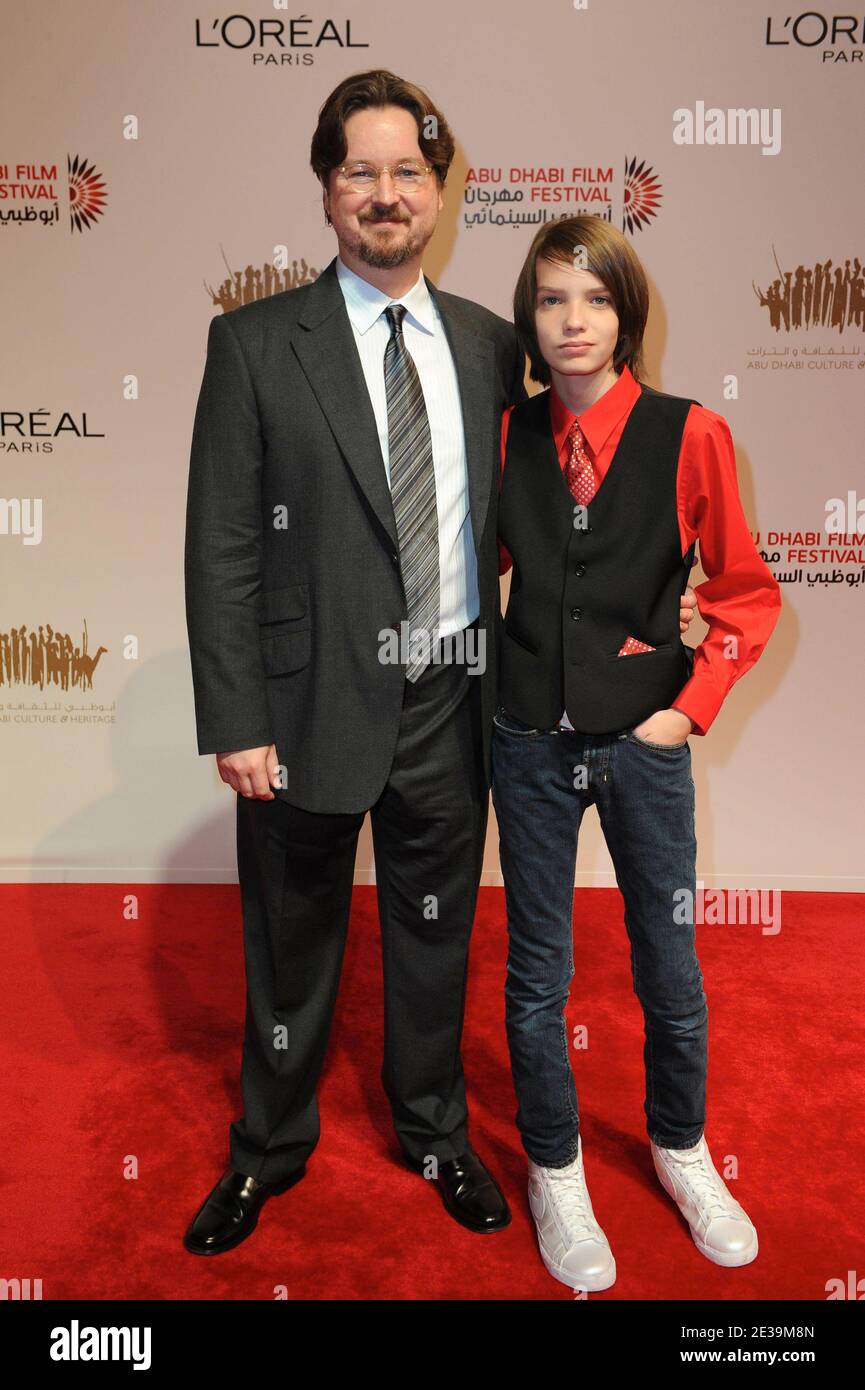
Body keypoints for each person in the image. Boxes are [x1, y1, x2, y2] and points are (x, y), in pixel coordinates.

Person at [182, 69, 698, 1258]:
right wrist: (236, 716)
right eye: (358, 170)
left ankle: (432, 1132)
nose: (384, 193)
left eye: (406, 172)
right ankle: (267, 1146)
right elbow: (222, 545)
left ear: (439, 193)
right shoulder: (255, 346)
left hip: (456, 700)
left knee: (432, 933)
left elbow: (582, 487)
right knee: (290, 937)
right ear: (325, 189)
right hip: (307, 704)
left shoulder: (491, 346)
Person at [491, 215, 781, 1292]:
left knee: (669, 968)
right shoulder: (507, 434)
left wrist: (688, 706)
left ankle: (680, 1146)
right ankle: (554, 1167)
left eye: (595, 298)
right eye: (552, 298)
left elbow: (745, 594)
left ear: (626, 314)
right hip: (525, 740)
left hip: (644, 744)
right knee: (535, 973)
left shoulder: (688, 431)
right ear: (530, 316)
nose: (573, 320)